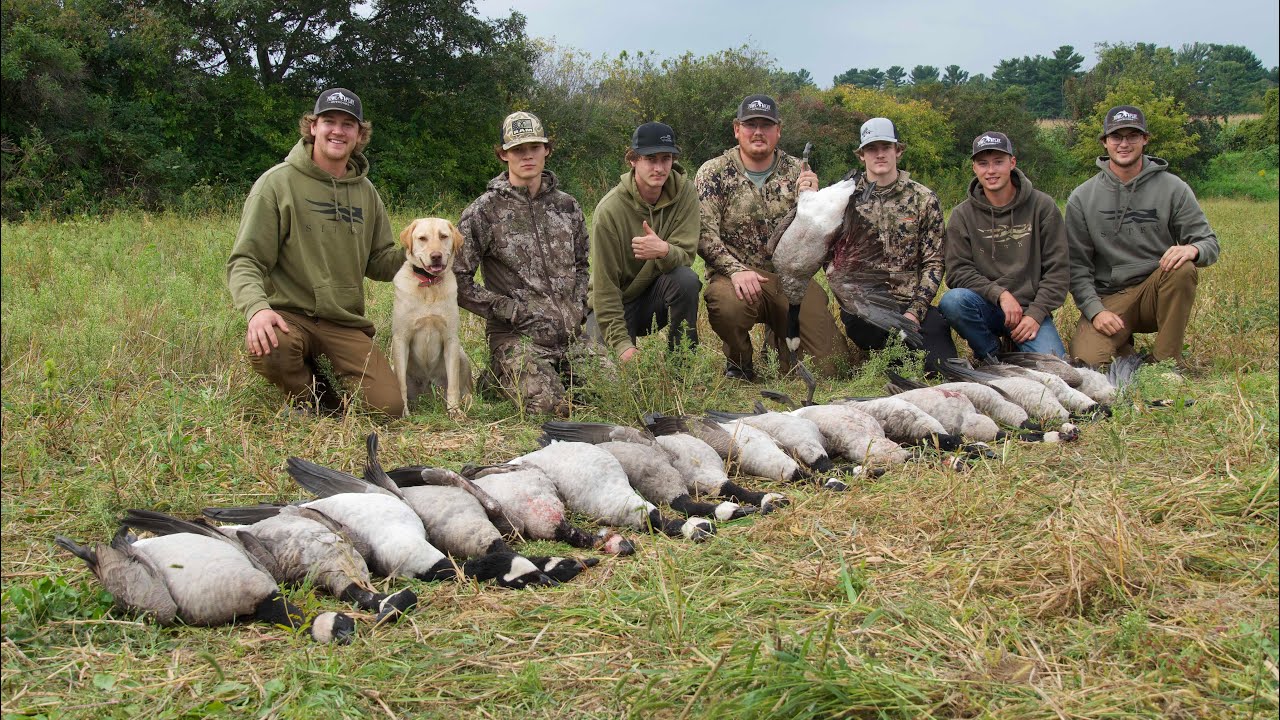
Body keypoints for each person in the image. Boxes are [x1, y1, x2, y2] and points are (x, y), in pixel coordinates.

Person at [227, 88, 404, 416]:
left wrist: (421, 252)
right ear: (312, 127)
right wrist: (257, 309)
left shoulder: (366, 193)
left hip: (343, 321)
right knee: (273, 348)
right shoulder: (277, 184)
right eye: (329, 121)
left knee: (387, 408)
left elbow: (378, 262)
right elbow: (246, 261)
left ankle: (324, 382)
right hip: (289, 314)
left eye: (348, 124)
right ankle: (310, 397)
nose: (338, 130)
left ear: (359, 135)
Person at [696, 94, 850, 381]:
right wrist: (736, 271)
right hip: (735, 278)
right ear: (736, 129)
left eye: (765, 125)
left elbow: (817, 236)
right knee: (726, 304)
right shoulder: (713, 172)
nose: (757, 132)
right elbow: (704, 235)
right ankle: (740, 364)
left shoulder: (797, 171)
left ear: (778, 130)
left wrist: (813, 201)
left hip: (789, 280)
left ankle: (778, 345)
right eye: (750, 124)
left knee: (832, 369)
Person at [454, 111, 591, 417]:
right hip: (517, 337)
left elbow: (582, 264)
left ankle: (544, 374)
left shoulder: (567, 206)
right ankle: (500, 375)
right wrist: (509, 311)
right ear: (503, 154)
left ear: (547, 150)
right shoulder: (484, 211)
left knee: (613, 393)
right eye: (517, 150)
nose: (527, 156)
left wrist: (578, 304)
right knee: (548, 407)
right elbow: (456, 279)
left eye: (534, 147)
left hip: (569, 336)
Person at [1066, 105, 1220, 366]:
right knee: (1088, 362)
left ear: (1145, 139)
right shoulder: (1082, 197)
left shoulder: (1173, 188)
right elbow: (1076, 266)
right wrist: (1095, 311)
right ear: (1105, 142)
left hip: (1156, 290)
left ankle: (1165, 362)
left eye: (1132, 136)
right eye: (1116, 137)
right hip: (1111, 298)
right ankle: (1124, 348)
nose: (1124, 144)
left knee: (1182, 269)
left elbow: (1209, 244)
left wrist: (1191, 250)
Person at [834, 117, 955, 370]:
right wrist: (857, 302)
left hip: (910, 303)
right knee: (865, 328)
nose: (879, 154)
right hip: (866, 307)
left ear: (898, 151)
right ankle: (888, 353)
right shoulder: (843, 199)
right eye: (871, 148)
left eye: (886, 147)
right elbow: (832, 261)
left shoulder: (923, 198)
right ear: (861, 155)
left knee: (941, 367)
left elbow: (934, 262)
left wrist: (915, 311)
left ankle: (901, 351)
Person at [939, 131, 1070, 361]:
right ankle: (995, 356)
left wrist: (1036, 314)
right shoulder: (962, 215)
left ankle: (1020, 344)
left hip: (1029, 310)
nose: (991, 171)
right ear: (974, 168)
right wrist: (1000, 294)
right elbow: (958, 272)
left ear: (1012, 162)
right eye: (983, 164)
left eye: (998, 162)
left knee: (1056, 369)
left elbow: (1058, 271)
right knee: (953, 301)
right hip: (986, 305)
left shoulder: (1042, 206)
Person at [586, 122, 701, 363]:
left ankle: (681, 366)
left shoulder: (685, 193)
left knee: (687, 280)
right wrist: (622, 346)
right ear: (633, 160)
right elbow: (604, 289)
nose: (659, 168)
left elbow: (687, 255)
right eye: (650, 159)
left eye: (666, 158)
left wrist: (664, 250)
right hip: (614, 304)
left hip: (653, 301)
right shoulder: (608, 211)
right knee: (604, 385)